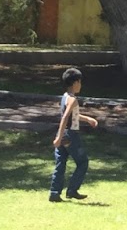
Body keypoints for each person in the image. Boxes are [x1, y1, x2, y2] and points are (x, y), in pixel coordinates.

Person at [49, 66, 99, 202]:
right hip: (70, 135)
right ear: (75, 82)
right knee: (83, 162)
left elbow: (73, 115)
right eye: (80, 82)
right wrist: (59, 137)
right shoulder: (73, 99)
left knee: (61, 163)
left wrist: (87, 118)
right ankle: (72, 190)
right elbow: (65, 117)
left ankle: (54, 193)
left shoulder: (65, 97)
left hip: (64, 134)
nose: (80, 85)